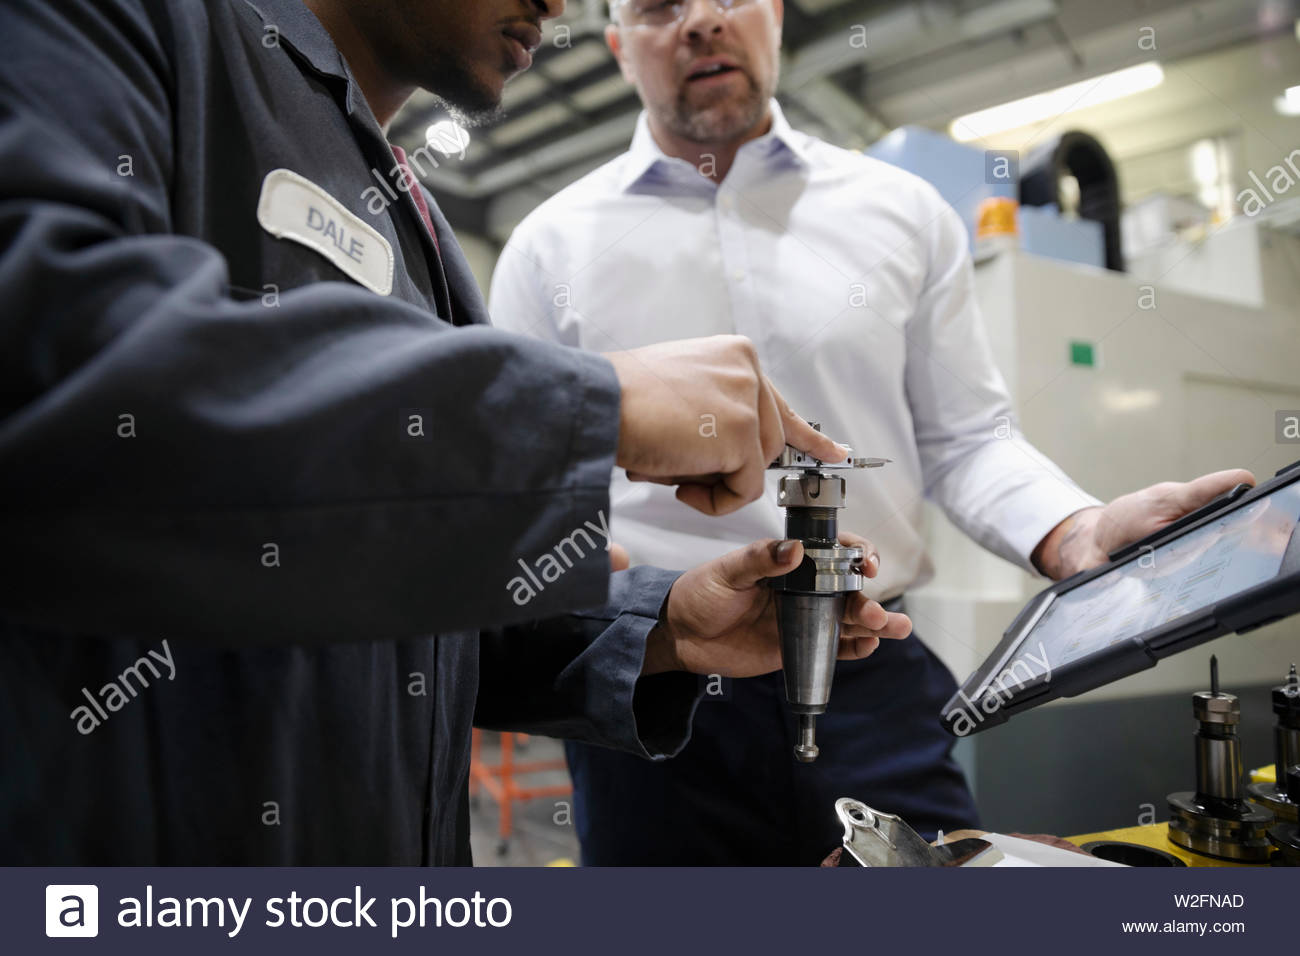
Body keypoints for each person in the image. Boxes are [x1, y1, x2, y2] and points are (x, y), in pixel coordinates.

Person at [0, 0, 912, 864]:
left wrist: (662, 625)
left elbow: (405, 584)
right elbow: (62, 378)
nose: (558, 6)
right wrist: (595, 406)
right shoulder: (128, 29)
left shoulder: (414, 219)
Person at [489, 0, 1255, 864]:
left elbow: (967, 437)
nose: (701, 19)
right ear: (620, 47)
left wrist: (1071, 529)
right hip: (659, 687)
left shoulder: (902, 211)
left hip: (874, 664)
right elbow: (523, 494)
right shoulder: (547, 248)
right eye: (661, 5)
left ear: (775, 14)